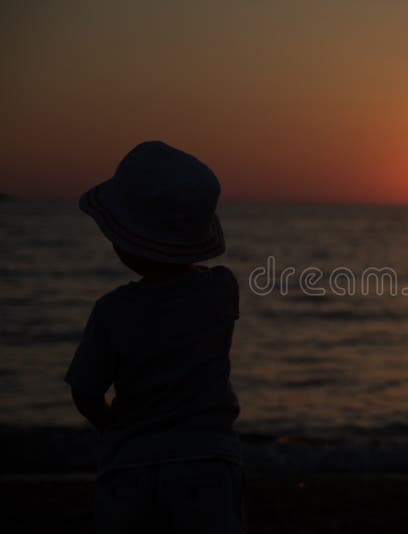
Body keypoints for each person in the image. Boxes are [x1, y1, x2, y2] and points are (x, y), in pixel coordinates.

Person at [66, 141, 243, 533]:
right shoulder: (223, 290)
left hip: (130, 468)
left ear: (126, 240)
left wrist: (113, 426)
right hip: (209, 464)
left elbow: (85, 392)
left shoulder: (112, 310)